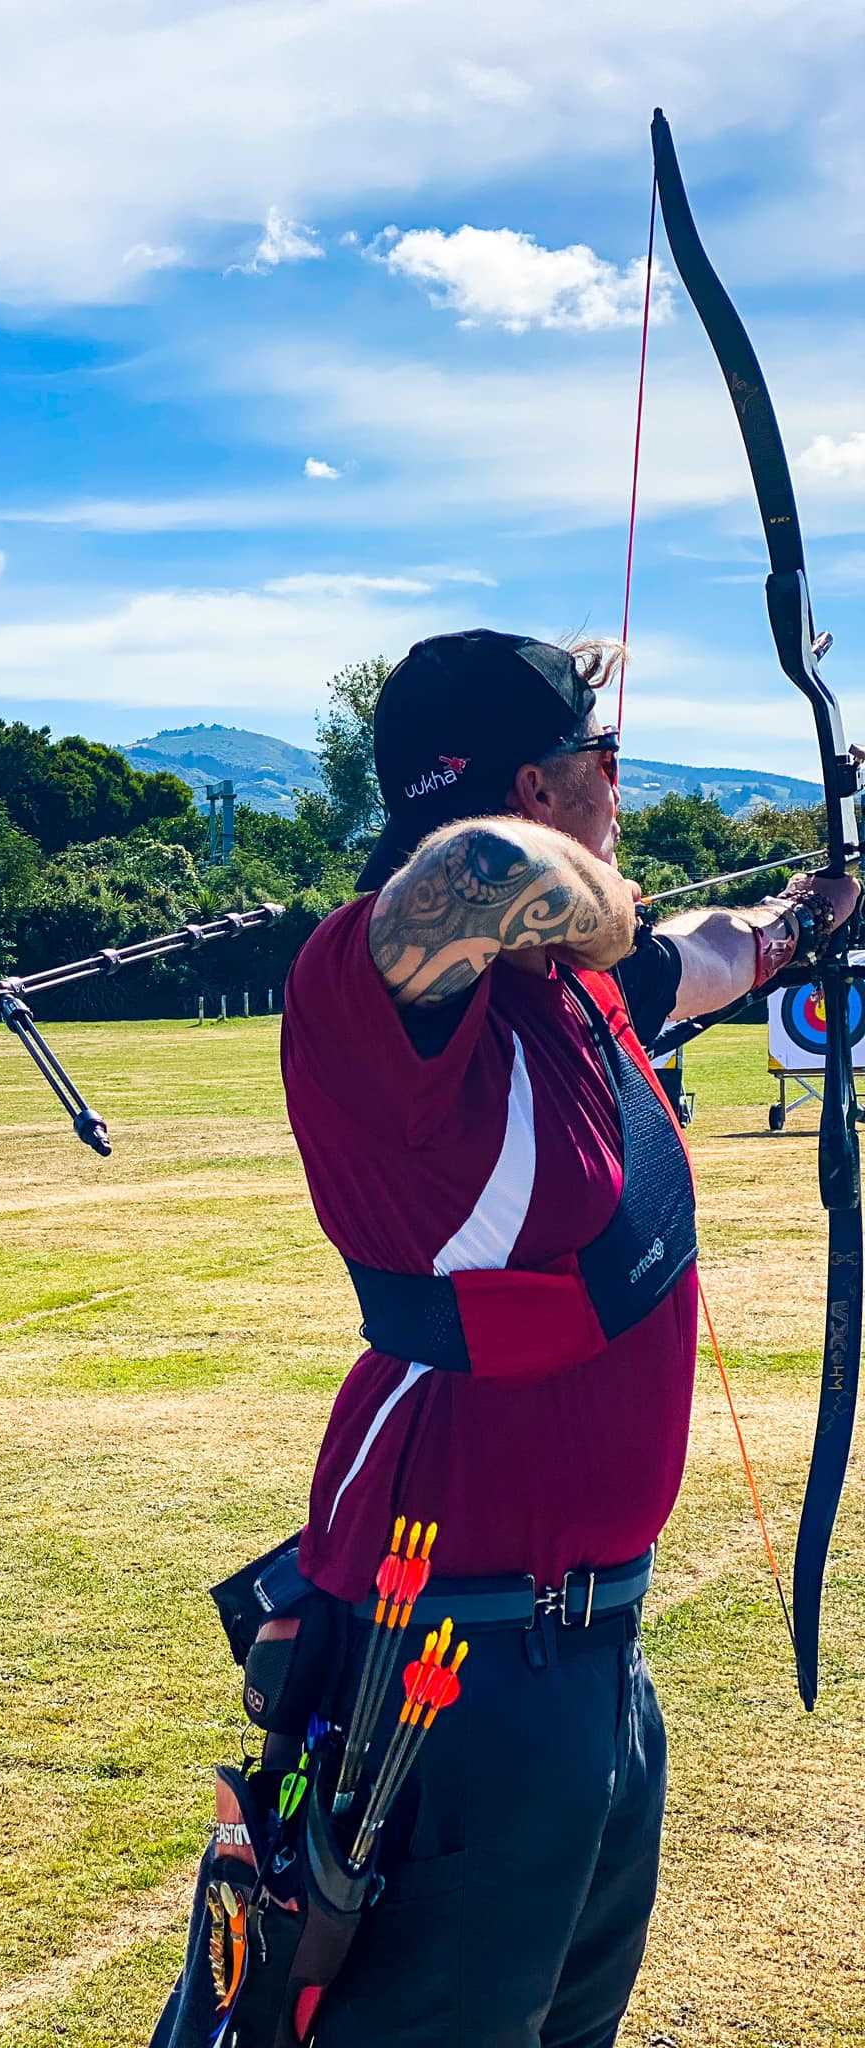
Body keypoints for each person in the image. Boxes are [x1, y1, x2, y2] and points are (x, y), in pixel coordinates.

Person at [269, 630, 856, 2045]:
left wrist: (807, 917)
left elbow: (701, 961)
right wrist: (589, 899)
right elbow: (482, 874)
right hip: (452, 1657)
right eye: (605, 759)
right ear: (537, 784)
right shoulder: (371, 982)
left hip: (591, 1646)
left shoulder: (568, 992)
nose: (620, 782)